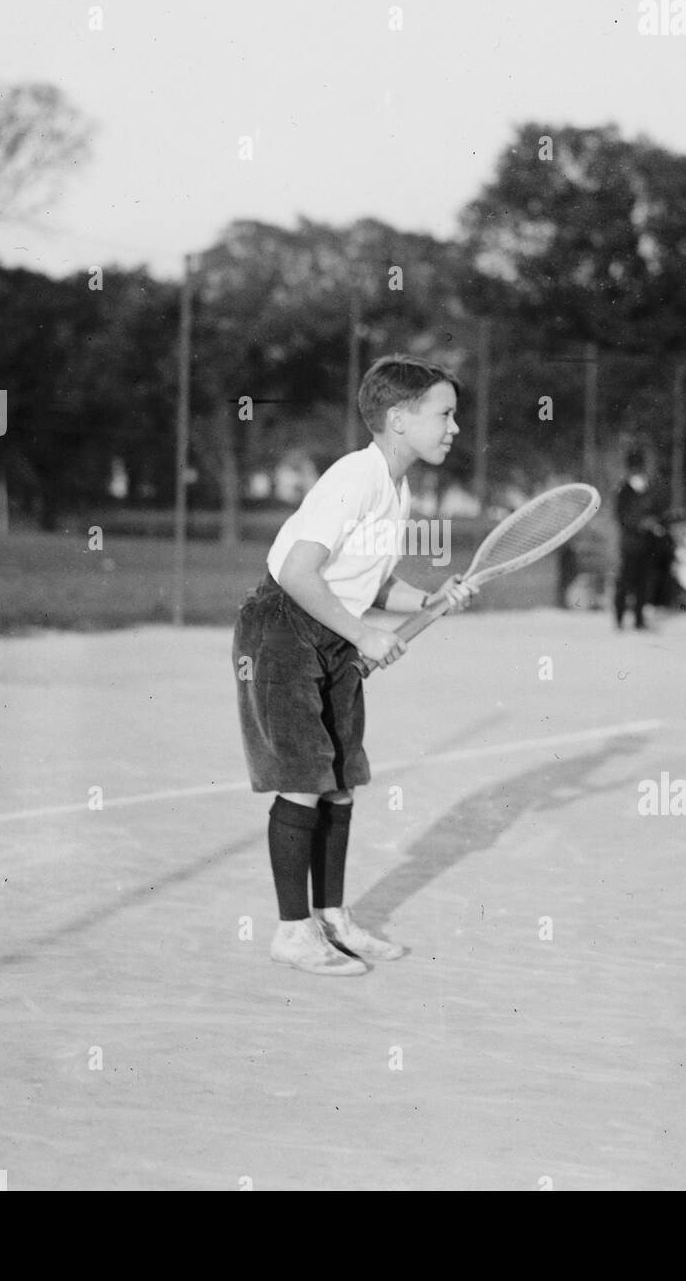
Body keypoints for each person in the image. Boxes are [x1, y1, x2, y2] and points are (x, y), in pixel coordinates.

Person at [232, 356, 476, 976]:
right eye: (444, 414)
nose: (454, 427)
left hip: (329, 630)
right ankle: (293, 932)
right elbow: (297, 573)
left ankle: (332, 920)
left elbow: (360, 576)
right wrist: (364, 634)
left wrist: (423, 600)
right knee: (303, 778)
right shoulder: (356, 477)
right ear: (399, 418)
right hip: (283, 628)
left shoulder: (395, 486)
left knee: (338, 779)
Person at [613, 449, 660, 629]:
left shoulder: (648, 489)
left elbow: (656, 511)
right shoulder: (624, 490)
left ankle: (639, 620)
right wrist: (641, 523)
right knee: (625, 583)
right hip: (630, 544)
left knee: (643, 583)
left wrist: (653, 522)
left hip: (646, 545)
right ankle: (619, 619)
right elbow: (622, 516)